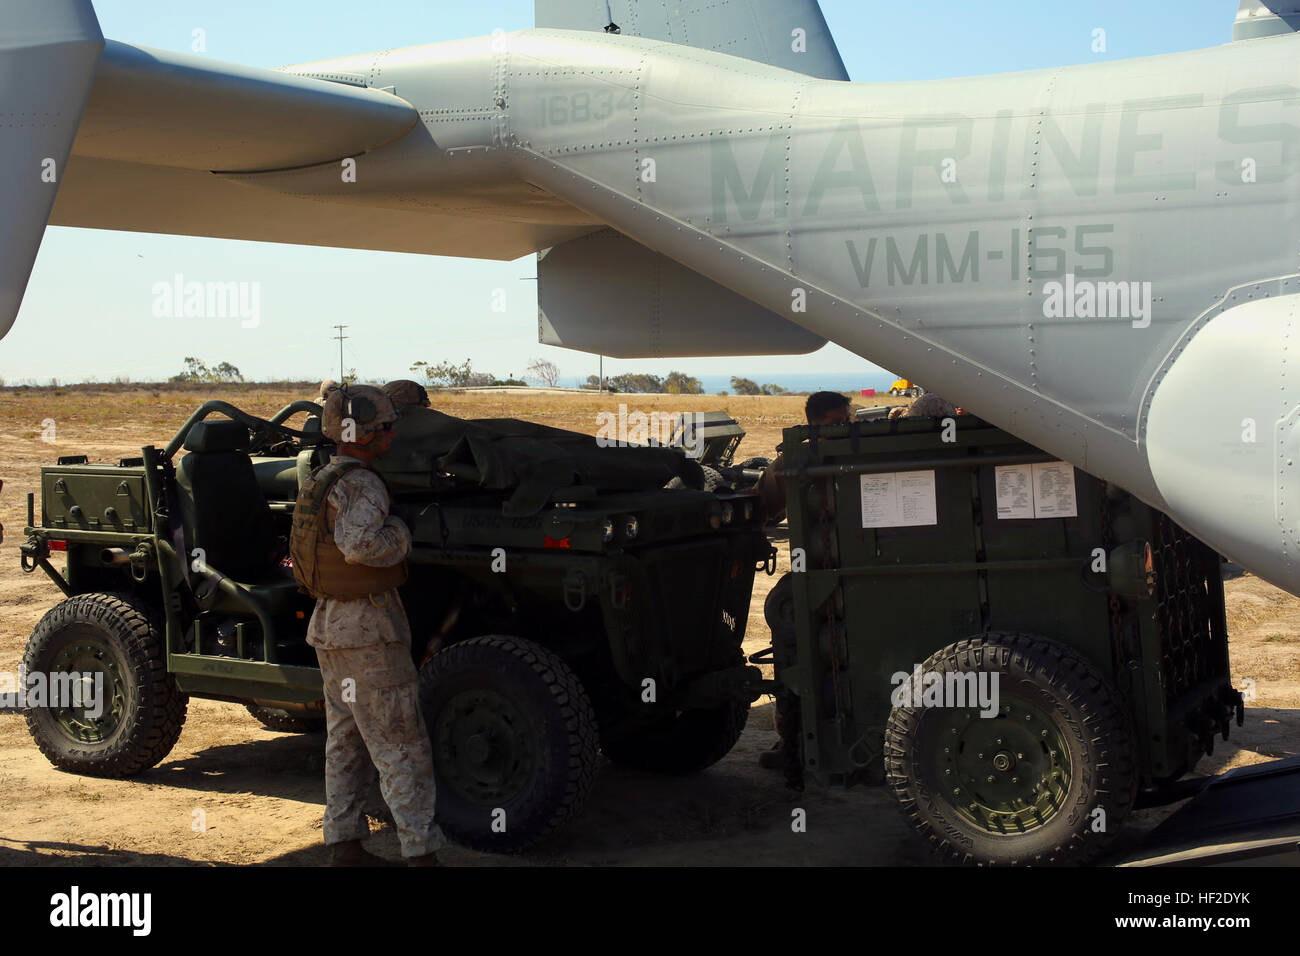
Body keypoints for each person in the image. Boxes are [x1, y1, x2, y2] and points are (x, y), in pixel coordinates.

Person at [289, 384, 445, 867]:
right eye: (386, 427)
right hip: (368, 631)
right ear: (364, 433)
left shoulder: (324, 476)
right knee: (401, 744)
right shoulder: (364, 484)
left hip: (331, 626)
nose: (393, 435)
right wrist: (401, 534)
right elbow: (359, 546)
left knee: (346, 741)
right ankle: (421, 853)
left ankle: (344, 844)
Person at [754, 391, 851, 523]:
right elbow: (757, 507)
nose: (844, 429)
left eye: (847, 421)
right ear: (813, 424)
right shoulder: (794, 460)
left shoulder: (862, 453)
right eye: (837, 423)